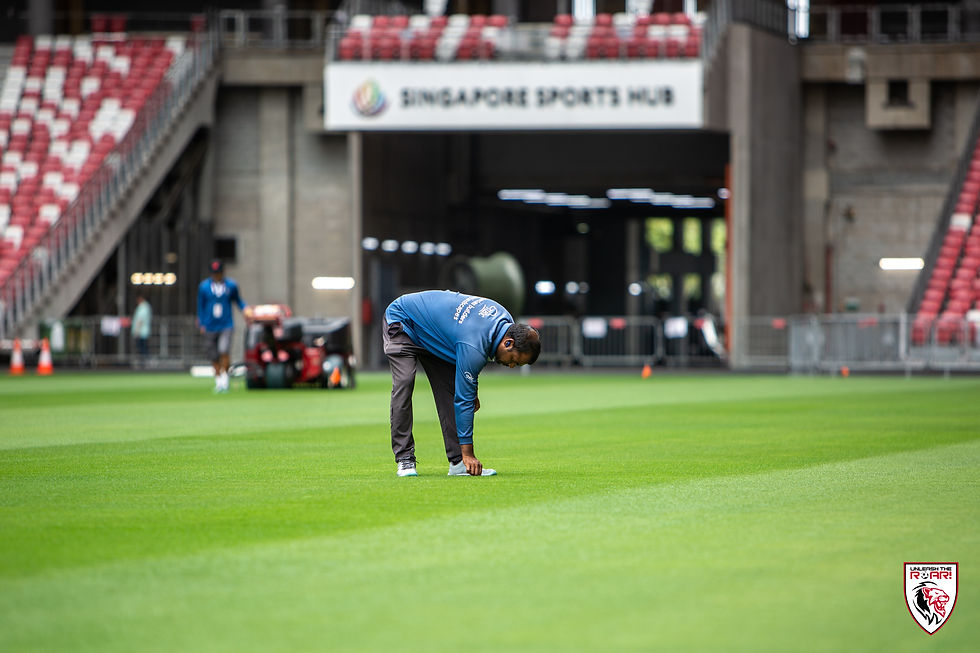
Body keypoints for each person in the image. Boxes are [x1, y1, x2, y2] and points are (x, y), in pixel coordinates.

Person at [383, 290, 541, 477]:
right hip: (404, 320)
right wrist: (470, 454)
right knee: (405, 382)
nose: (512, 366)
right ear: (508, 343)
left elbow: (469, 356)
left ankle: (458, 463)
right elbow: (464, 397)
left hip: (437, 334)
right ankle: (405, 458)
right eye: (514, 359)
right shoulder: (475, 343)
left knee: (451, 391)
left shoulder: (504, 321)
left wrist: (470, 389)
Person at [197, 260, 250, 393]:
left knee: (224, 350)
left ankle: (225, 379)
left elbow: (238, 300)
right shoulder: (204, 287)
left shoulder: (231, 285)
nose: (217, 276)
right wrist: (202, 322)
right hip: (210, 325)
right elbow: (200, 306)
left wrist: (245, 309)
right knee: (213, 355)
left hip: (226, 323)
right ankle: (218, 380)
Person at [131, 295, 152, 366]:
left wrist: (137, 331)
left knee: (142, 348)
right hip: (144, 331)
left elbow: (140, 320)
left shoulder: (143, 307)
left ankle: (144, 363)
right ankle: (144, 362)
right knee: (143, 348)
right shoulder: (146, 307)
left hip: (142, 332)